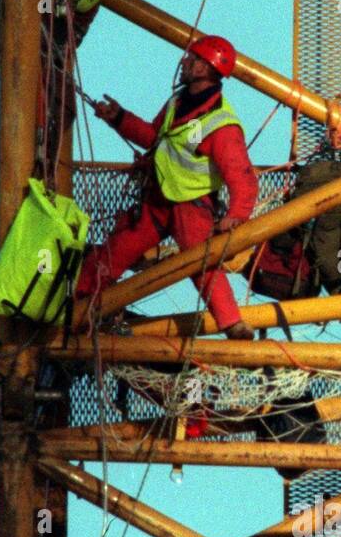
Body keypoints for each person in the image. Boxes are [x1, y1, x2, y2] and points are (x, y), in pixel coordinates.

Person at [75, 35, 259, 340]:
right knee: (116, 250)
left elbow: (243, 178)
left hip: (191, 205)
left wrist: (236, 216)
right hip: (157, 200)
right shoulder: (177, 103)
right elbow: (155, 138)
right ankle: (78, 306)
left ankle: (232, 324)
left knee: (203, 264)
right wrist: (120, 119)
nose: (184, 62)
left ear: (203, 68)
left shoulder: (221, 125)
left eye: (191, 58)